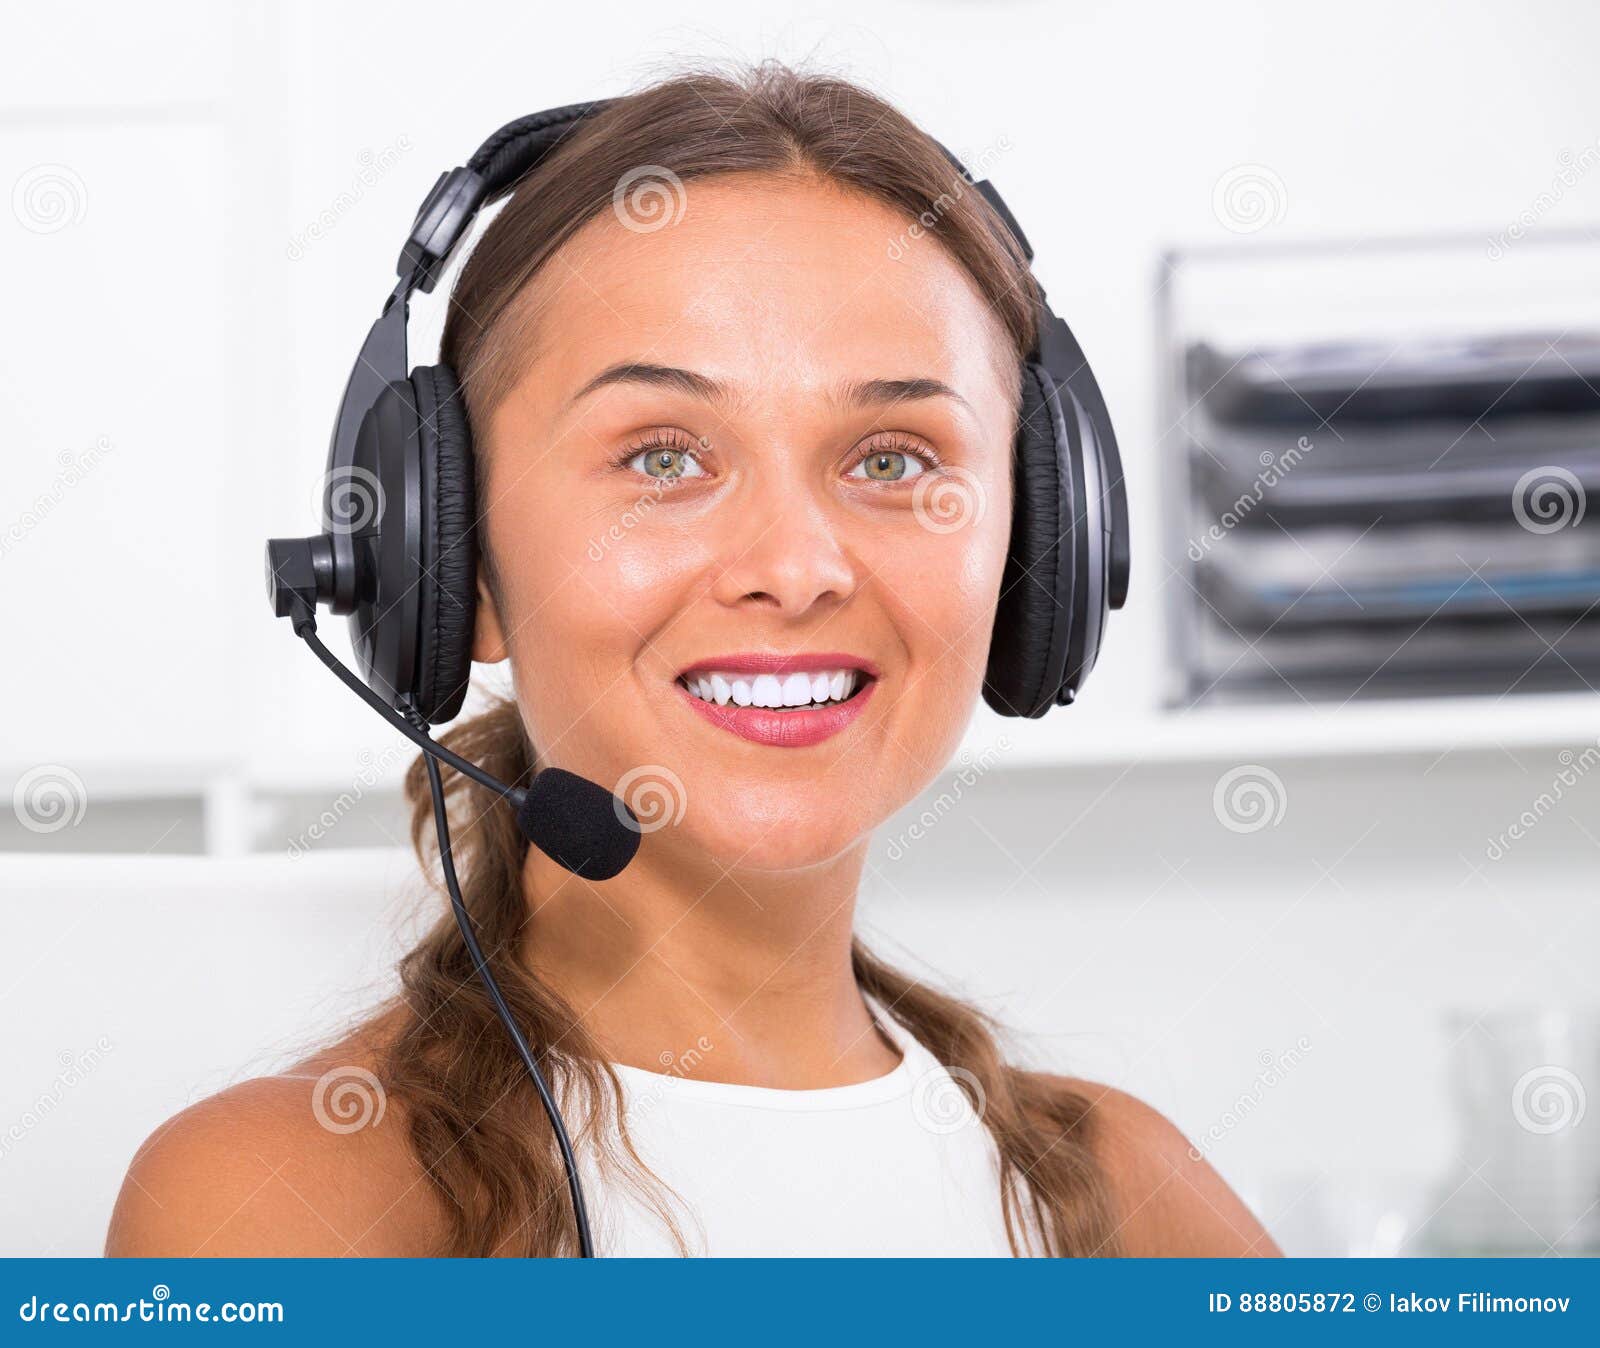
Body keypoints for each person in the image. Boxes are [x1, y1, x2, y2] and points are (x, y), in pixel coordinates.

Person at [106, 61, 1279, 1259]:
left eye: (890, 457)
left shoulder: (1140, 1204)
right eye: (664, 457)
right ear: (447, 562)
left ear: (1039, 549)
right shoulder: (280, 1207)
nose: (796, 564)